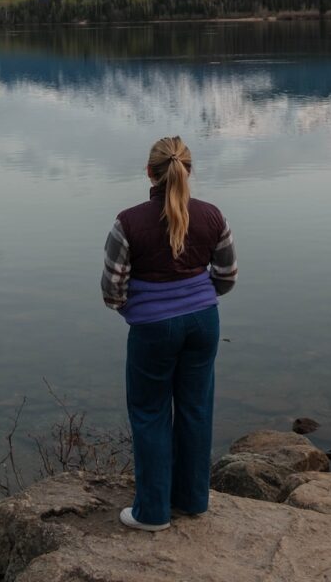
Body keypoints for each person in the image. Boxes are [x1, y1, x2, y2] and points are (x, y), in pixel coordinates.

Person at [100, 135, 238, 531]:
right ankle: (193, 501)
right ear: (189, 171)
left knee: (149, 412)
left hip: (152, 329)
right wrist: (194, 298)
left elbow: (112, 290)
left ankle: (153, 512)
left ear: (149, 172)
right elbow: (226, 277)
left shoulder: (128, 222)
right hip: (203, 324)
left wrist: (138, 307)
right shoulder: (213, 216)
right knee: (195, 409)